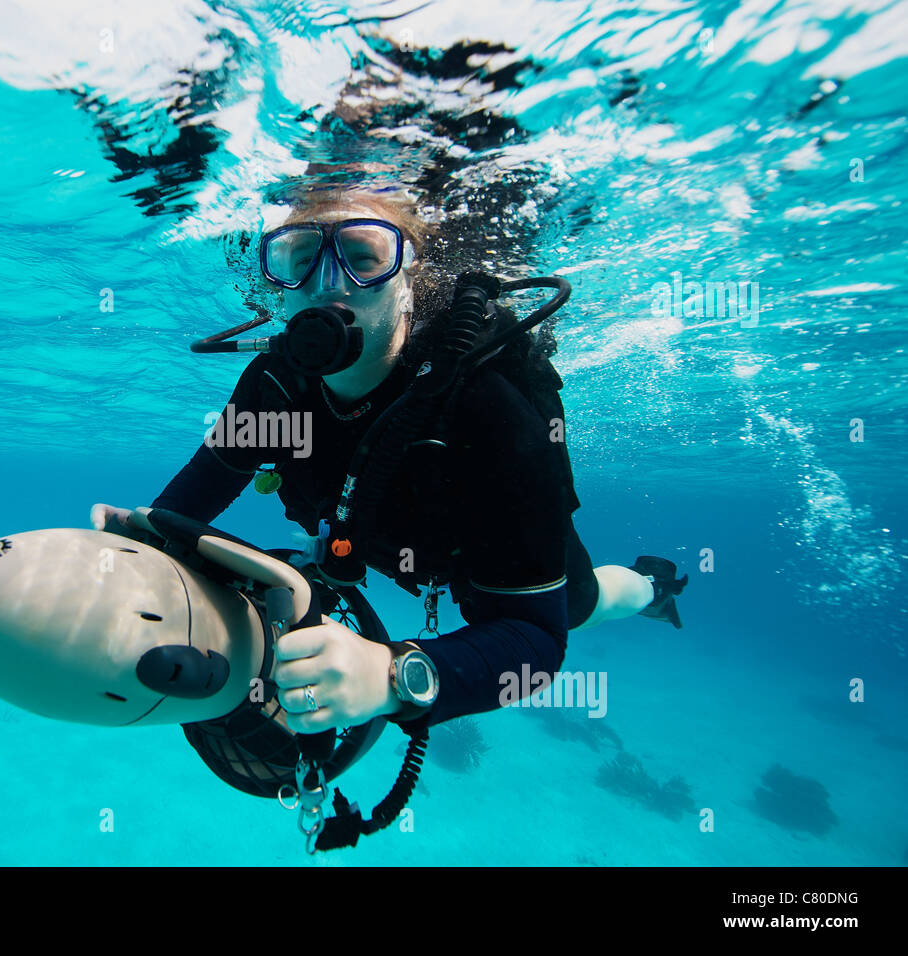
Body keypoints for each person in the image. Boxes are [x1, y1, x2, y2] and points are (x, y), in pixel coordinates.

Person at [92, 186, 687, 742]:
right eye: (299, 258)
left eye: (362, 256)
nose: (329, 284)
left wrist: (389, 674)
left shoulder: (482, 401)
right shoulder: (274, 387)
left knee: (576, 606)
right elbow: (180, 510)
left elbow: (533, 639)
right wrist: (138, 543)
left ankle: (653, 585)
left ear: (408, 282)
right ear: (278, 283)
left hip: (476, 552)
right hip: (359, 540)